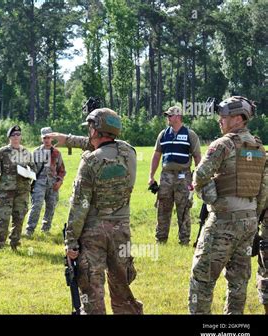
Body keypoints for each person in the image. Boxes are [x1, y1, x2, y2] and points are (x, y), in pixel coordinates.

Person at [189, 96, 266, 314]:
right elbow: (264, 191)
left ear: (238, 119)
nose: (219, 120)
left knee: (201, 280)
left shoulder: (223, 144)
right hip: (249, 223)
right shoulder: (259, 147)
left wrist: (212, 197)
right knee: (238, 283)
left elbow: (199, 176)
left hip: (223, 222)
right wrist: (252, 216)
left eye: (224, 116)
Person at [62, 108, 143, 315]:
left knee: (92, 291)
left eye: (90, 128)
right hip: (121, 230)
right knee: (122, 290)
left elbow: (80, 206)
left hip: (93, 233)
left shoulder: (90, 162)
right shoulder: (129, 153)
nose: (88, 132)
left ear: (96, 130)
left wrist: (70, 242)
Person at [148, 106, 201, 245]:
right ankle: (161, 239)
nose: (168, 118)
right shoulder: (163, 134)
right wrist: (151, 176)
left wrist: (197, 177)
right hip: (166, 176)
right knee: (163, 207)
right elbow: (156, 155)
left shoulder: (190, 134)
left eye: (170, 115)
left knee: (183, 208)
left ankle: (184, 241)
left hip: (184, 177)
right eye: (167, 115)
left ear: (178, 117)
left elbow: (197, 156)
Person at [0, 125, 36, 251]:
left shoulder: (26, 152)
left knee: (19, 217)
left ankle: (14, 243)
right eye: (13, 135)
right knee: (3, 218)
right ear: (9, 137)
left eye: (18, 134)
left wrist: (28, 172)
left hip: (22, 191)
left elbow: (34, 169)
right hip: (6, 191)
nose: (16, 137)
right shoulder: (3, 152)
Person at [24, 127, 65, 237]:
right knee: (36, 206)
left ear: (52, 138)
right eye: (44, 138)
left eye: (49, 137)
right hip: (39, 183)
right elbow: (30, 169)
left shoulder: (56, 153)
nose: (47, 140)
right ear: (41, 138)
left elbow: (62, 170)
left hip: (53, 185)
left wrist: (59, 182)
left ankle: (45, 230)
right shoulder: (36, 152)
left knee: (51, 207)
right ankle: (29, 230)